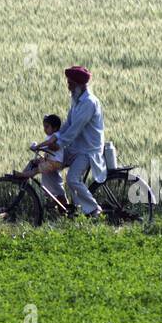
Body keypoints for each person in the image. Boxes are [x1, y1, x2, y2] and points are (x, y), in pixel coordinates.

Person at [55, 65, 105, 217]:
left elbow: (75, 129)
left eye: (70, 84)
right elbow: (68, 123)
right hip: (76, 147)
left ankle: (94, 209)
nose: (68, 87)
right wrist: (53, 138)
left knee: (72, 178)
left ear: (79, 85)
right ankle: (60, 201)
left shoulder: (89, 102)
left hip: (88, 150)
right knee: (50, 164)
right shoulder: (76, 100)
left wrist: (58, 144)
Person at [17, 114, 69, 211]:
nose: (44, 129)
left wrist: (38, 146)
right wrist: (37, 148)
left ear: (55, 128)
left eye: (47, 127)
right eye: (44, 126)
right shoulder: (50, 136)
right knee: (34, 162)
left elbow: (49, 144)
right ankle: (23, 175)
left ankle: (24, 175)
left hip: (54, 162)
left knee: (37, 169)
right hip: (50, 160)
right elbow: (48, 147)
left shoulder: (56, 135)